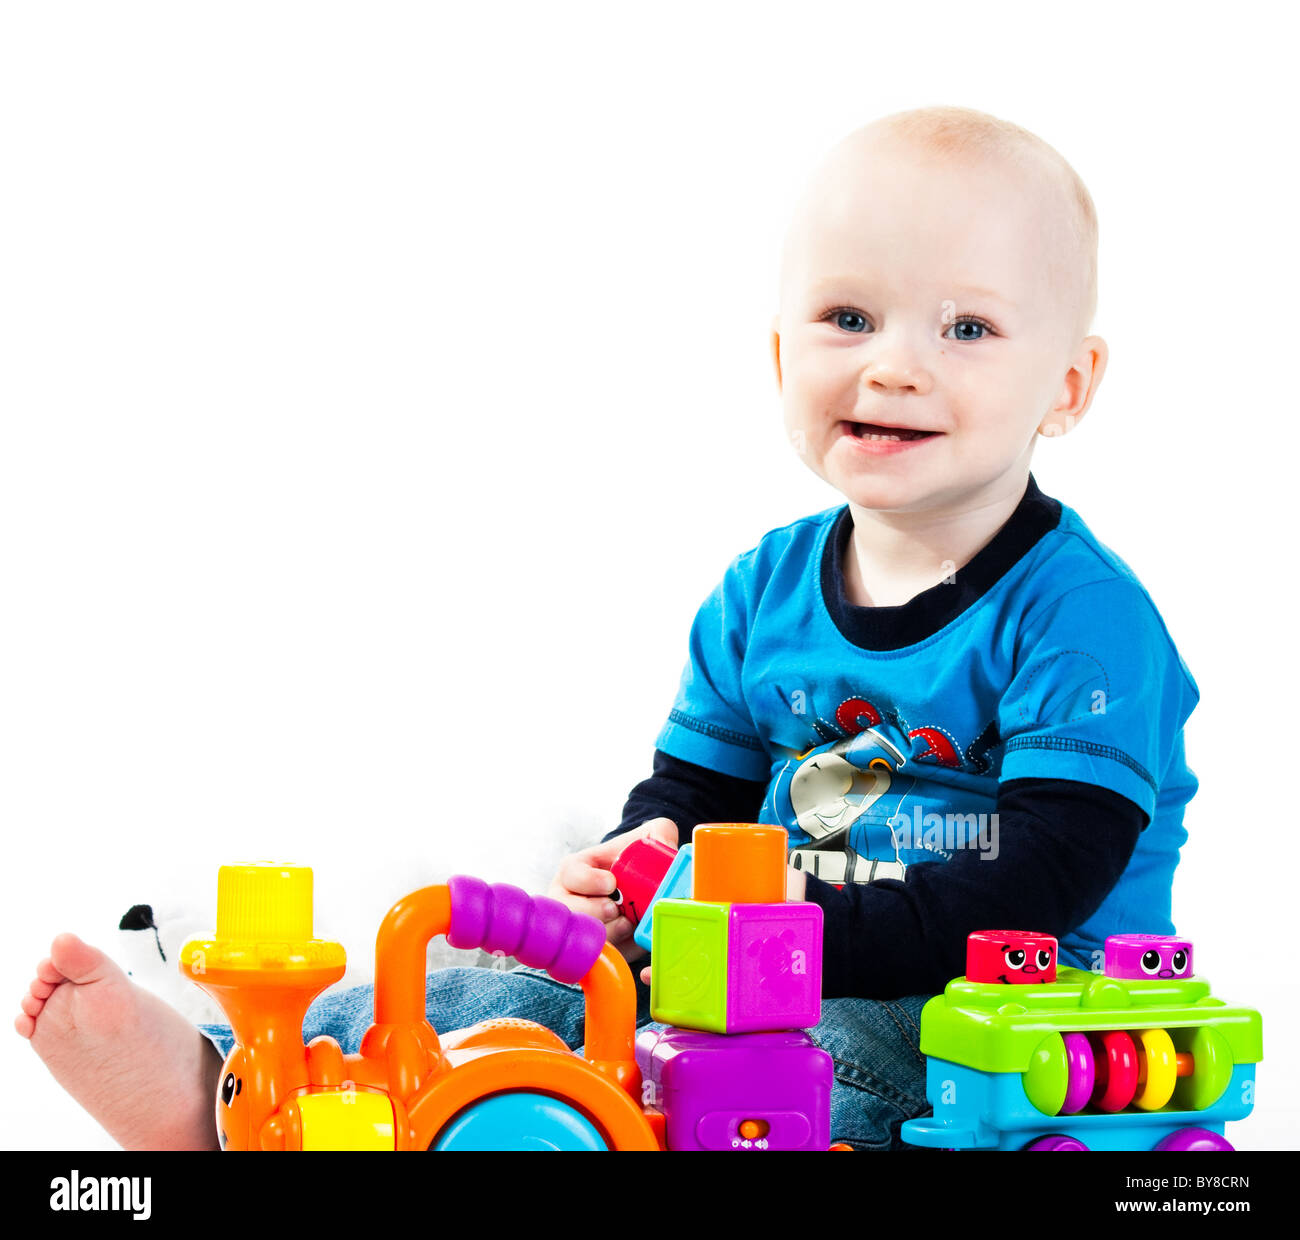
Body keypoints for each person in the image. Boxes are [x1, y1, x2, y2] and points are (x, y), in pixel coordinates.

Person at [15, 105, 1199, 1151]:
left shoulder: (1081, 618)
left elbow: (1052, 869)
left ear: (1068, 386)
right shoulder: (761, 592)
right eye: (848, 316)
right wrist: (635, 864)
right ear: (781, 354)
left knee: (840, 1065)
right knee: (527, 998)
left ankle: (585, 1110)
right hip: (734, 967)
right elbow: (696, 787)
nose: (892, 367)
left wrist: (783, 948)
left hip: (1002, 993)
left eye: (967, 330)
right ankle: (246, 1074)